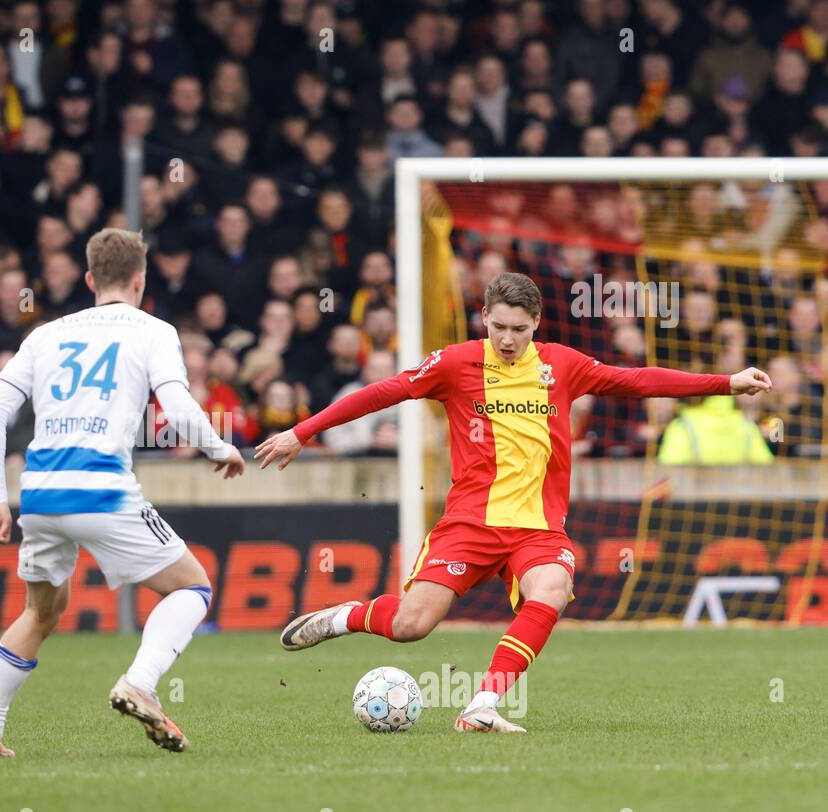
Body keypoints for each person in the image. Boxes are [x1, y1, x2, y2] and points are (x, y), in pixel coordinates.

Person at [255, 272, 772, 734]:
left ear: (536, 324)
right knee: (410, 627)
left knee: (553, 585)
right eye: (498, 326)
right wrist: (303, 432)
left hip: (538, 530)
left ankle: (482, 704)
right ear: (484, 317)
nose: (506, 339)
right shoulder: (456, 363)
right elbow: (382, 392)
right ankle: (344, 617)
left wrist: (726, 384)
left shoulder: (561, 366)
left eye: (518, 329)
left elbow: (634, 381)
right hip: (469, 524)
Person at [0, 227, 245, 757]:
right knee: (192, 588)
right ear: (140, 280)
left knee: (41, 614)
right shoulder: (154, 330)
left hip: (42, 495)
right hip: (102, 490)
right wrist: (219, 447)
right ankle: (140, 681)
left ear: (91, 278)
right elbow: (179, 408)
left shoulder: (46, 333)